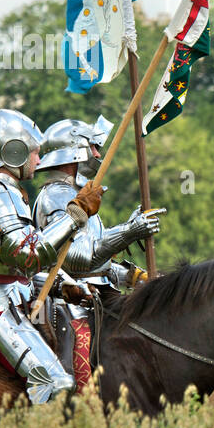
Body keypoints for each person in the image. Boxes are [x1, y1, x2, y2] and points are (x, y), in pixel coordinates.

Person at [0, 109, 103, 402]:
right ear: (14, 152)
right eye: (34, 153)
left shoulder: (9, 192)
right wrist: (76, 214)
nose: (39, 161)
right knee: (55, 383)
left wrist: (59, 284)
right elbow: (28, 256)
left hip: (8, 293)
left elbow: (20, 270)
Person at [30, 116, 163, 313]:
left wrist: (132, 277)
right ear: (73, 152)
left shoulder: (76, 194)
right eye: (92, 147)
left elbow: (97, 267)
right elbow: (79, 261)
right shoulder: (57, 195)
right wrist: (129, 232)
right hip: (71, 306)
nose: (97, 155)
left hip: (98, 296)